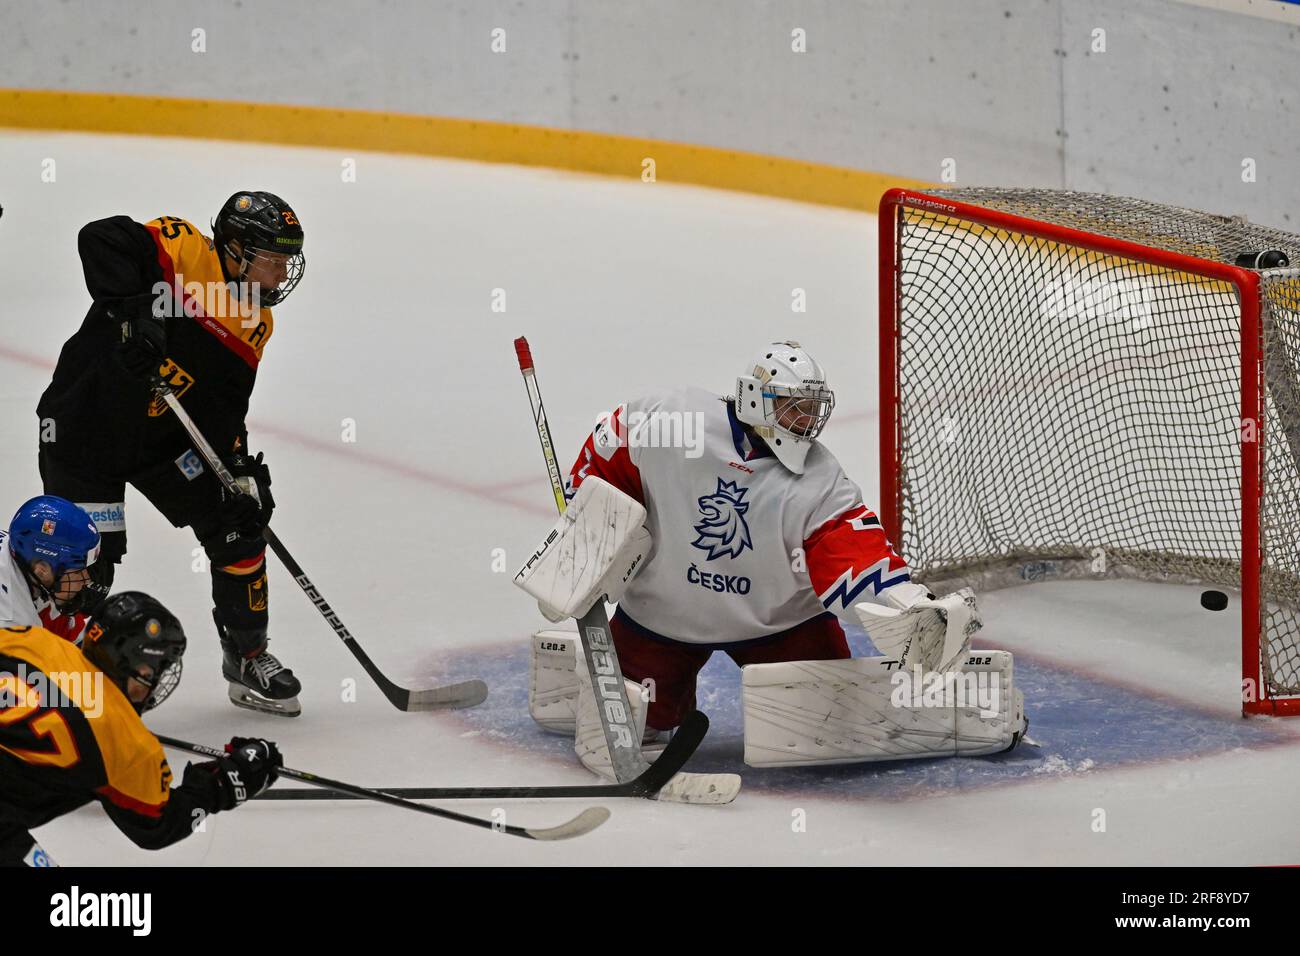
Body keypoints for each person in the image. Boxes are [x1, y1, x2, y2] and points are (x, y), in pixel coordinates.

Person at [518, 341, 1025, 776]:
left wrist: (908, 603)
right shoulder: (672, 422)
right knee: (630, 721)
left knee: (828, 719)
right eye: (793, 407)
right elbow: (609, 447)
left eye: (811, 408)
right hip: (662, 617)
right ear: (757, 398)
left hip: (780, 624)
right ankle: (610, 691)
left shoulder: (818, 481)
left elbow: (852, 550)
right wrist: (586, 528)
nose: (806, 421)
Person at [36, 192, 306, 715]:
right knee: (85, 570)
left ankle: (247, 657)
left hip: (163, 440)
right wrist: (139, 317)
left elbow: (223, 409)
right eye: (273, 260)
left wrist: (238, 470)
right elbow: (100, 237)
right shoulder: (182, 250)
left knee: (237, 524)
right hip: (86, 430)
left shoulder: (255, 323)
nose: (280, 275)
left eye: (286, 263)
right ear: (234, 250)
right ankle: (55, 674)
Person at [0, 591, 281, 866]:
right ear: (134, 667)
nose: (155, 683)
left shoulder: (37, 641)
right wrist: (225, 783)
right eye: (153, 673)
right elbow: (159, 826)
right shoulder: (124, 739)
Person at [0, 496, 102, 640]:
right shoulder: (14, 624)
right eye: (78, 571)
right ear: (42, 570)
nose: (86, 580)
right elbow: (22, 663)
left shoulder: (19, 554)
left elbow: (69, 632)